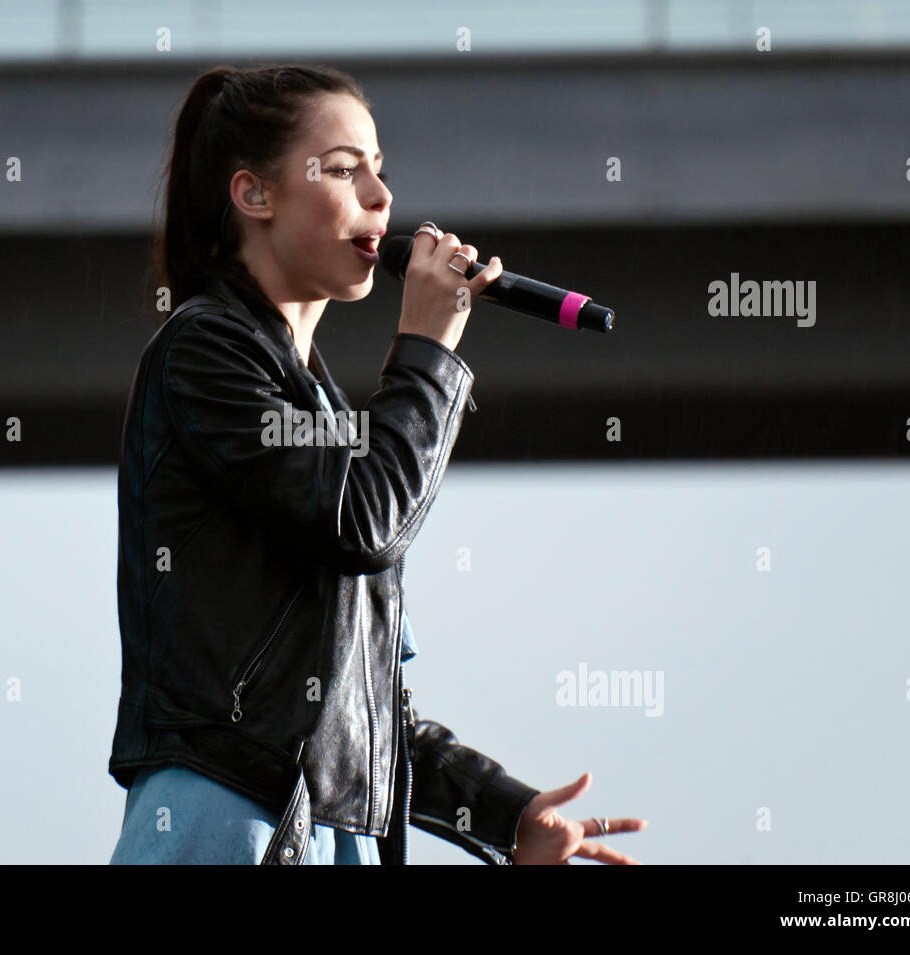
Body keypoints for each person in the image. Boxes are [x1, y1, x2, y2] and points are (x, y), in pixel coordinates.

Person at [108, 63, 647, 865]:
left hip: (326, 826)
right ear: (253, 195)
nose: (381, 197)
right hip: (229, 813)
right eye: (343, 168)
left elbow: (357, 710)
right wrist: (428, 350)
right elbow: (363, 521)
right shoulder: (202, 352)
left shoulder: (323, 408)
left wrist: (504, 814)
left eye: (381, 171)